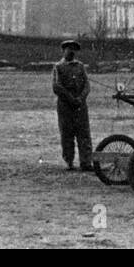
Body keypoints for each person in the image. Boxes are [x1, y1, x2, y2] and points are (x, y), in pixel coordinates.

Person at [52, 39, 93, 170]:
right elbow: (56, 86)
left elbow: (87, 85)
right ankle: (69, 162)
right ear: (64, 50)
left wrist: (80, 98)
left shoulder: (80, 66)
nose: (71, 51)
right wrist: (71, 99)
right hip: (65, 107)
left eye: (74, 49)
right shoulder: (58, 67)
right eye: (69, 48)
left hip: (80, 106)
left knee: (84, 134)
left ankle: (86, 162)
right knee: (67, 134)